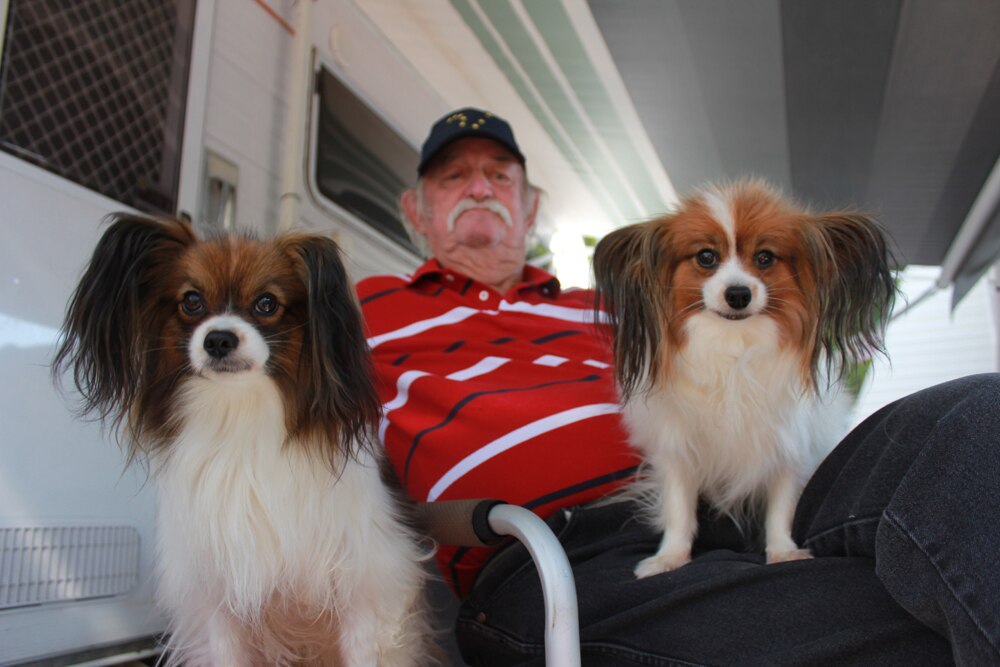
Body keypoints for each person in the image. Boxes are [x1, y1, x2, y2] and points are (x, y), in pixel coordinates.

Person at [356, 107, 1000, 666]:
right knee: (897, 629)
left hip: (763, 488)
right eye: (453, 176)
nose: (480, 187)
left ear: (532, 204)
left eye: (500, 174)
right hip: (564, 556)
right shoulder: (367, 308)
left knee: (976, 418)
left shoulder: (615, 300)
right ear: (415, 209)